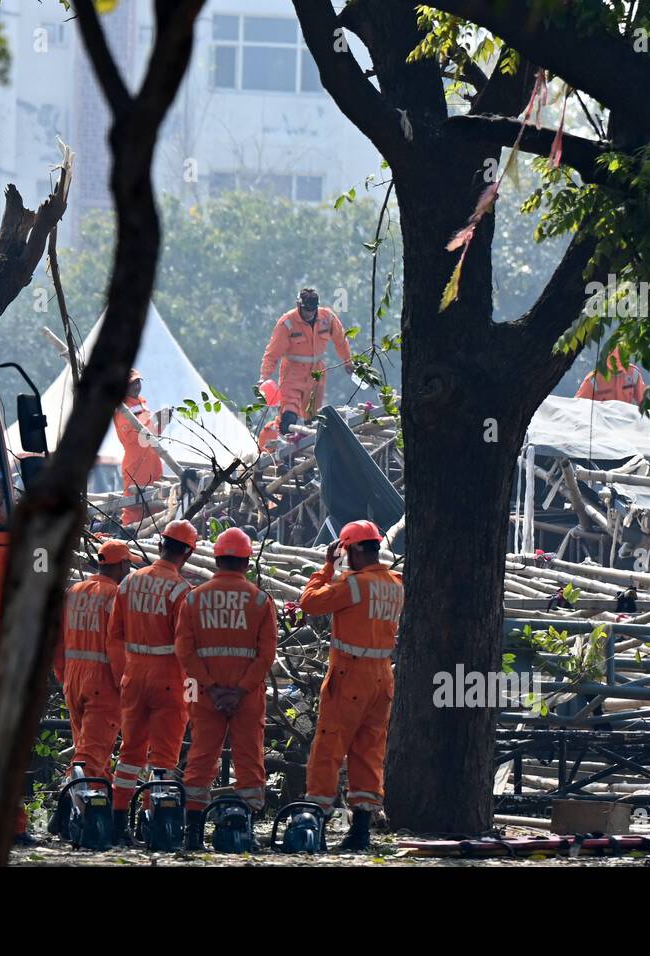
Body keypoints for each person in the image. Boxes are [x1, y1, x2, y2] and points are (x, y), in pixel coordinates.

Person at [299, 519, 402, 851]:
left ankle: (313, 824)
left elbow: (310, 602)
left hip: (350, 677)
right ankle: (360, 831)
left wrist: (326, 568)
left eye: (344, 551)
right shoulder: (395, 584)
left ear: (354, 550)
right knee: (368, 753)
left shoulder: (354, 584)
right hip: (382, 678)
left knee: (328, 749)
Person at [175, 527, 277, 850]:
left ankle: (192, 835)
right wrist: (240, 689)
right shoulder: (261, 601)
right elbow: (266, 655)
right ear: (247, 561)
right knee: (249, 759)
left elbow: (184, 651)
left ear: (217, 559)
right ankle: (242, 832)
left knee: (201, 758)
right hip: (247, 698)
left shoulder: (193, 598)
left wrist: (211, 688)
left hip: (205, 696)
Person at [106, 519, 198, 843]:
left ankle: (117, 823)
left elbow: (113, 637)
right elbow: (186, 649)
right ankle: (155, 822)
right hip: (169, 680)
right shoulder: (182, 592)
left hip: (133, 677)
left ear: (160, 545)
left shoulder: (128, 583)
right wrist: (194, 692)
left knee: (129, 753)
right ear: (187, 553)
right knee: (162, 757)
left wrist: (123, 677)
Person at [48, 539, 131, 839]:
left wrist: (63, 675)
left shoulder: (73, 593)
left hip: (74, 681)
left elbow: (57, 642)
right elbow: (118, 647)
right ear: (121, 565)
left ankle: (102, 816)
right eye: (128, 565)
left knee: (95, 753)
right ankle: (65, 817)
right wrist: (125, 684)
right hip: (103, 685)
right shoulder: (116, 597)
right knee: (90, 758)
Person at [258, 287, 355, 437]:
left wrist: (348, 361)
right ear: (299, 306)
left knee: (312, 420)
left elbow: (341, 340)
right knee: (289, 417)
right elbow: (272, 353)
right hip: (292, 375)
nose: (309, 313)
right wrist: (264, 377)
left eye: (312, 309)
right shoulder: (287, 323)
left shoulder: (327, 318)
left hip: (317, 375)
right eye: (306, 309)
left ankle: (305, 450)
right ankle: (280, 441)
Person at [113, 369, 165, 529]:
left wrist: (162, 421)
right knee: (135, 508)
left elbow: (152, 433)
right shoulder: (122, 408)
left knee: (157, 505)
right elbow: (132, 437)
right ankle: (128, 533)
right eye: (132, 384)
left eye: (137, 382)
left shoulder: (142, 402)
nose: (136, 386)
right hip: (136, 463)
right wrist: (155, 420)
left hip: (153, 459)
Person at [574, 347, 647, 407]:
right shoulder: (594, 378)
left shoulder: (633, 373)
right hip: (601, 421)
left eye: (619, 371)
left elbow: (644, 402)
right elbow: (578, 405)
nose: (616, 372)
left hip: (625, 420)